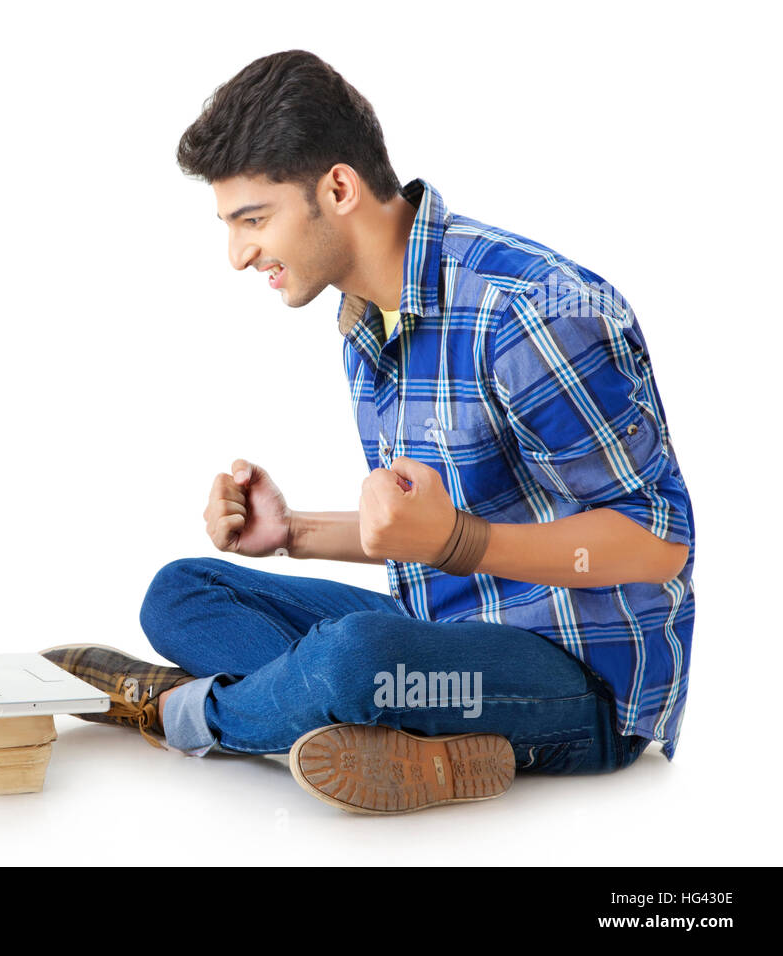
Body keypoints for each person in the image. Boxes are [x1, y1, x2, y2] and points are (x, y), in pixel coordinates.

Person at [43, 50, 695, 814]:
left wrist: (462, 545)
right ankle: (378, 729)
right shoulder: (362, 320)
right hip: (437, 636)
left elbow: (660, 545)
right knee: (182, 593)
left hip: (580, 679)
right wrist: (294, 533)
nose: (238, 254)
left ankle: (181, 712)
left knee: (357, 659)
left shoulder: (532, 311)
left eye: (254, 219)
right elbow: (421, 531)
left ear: (339, 188)